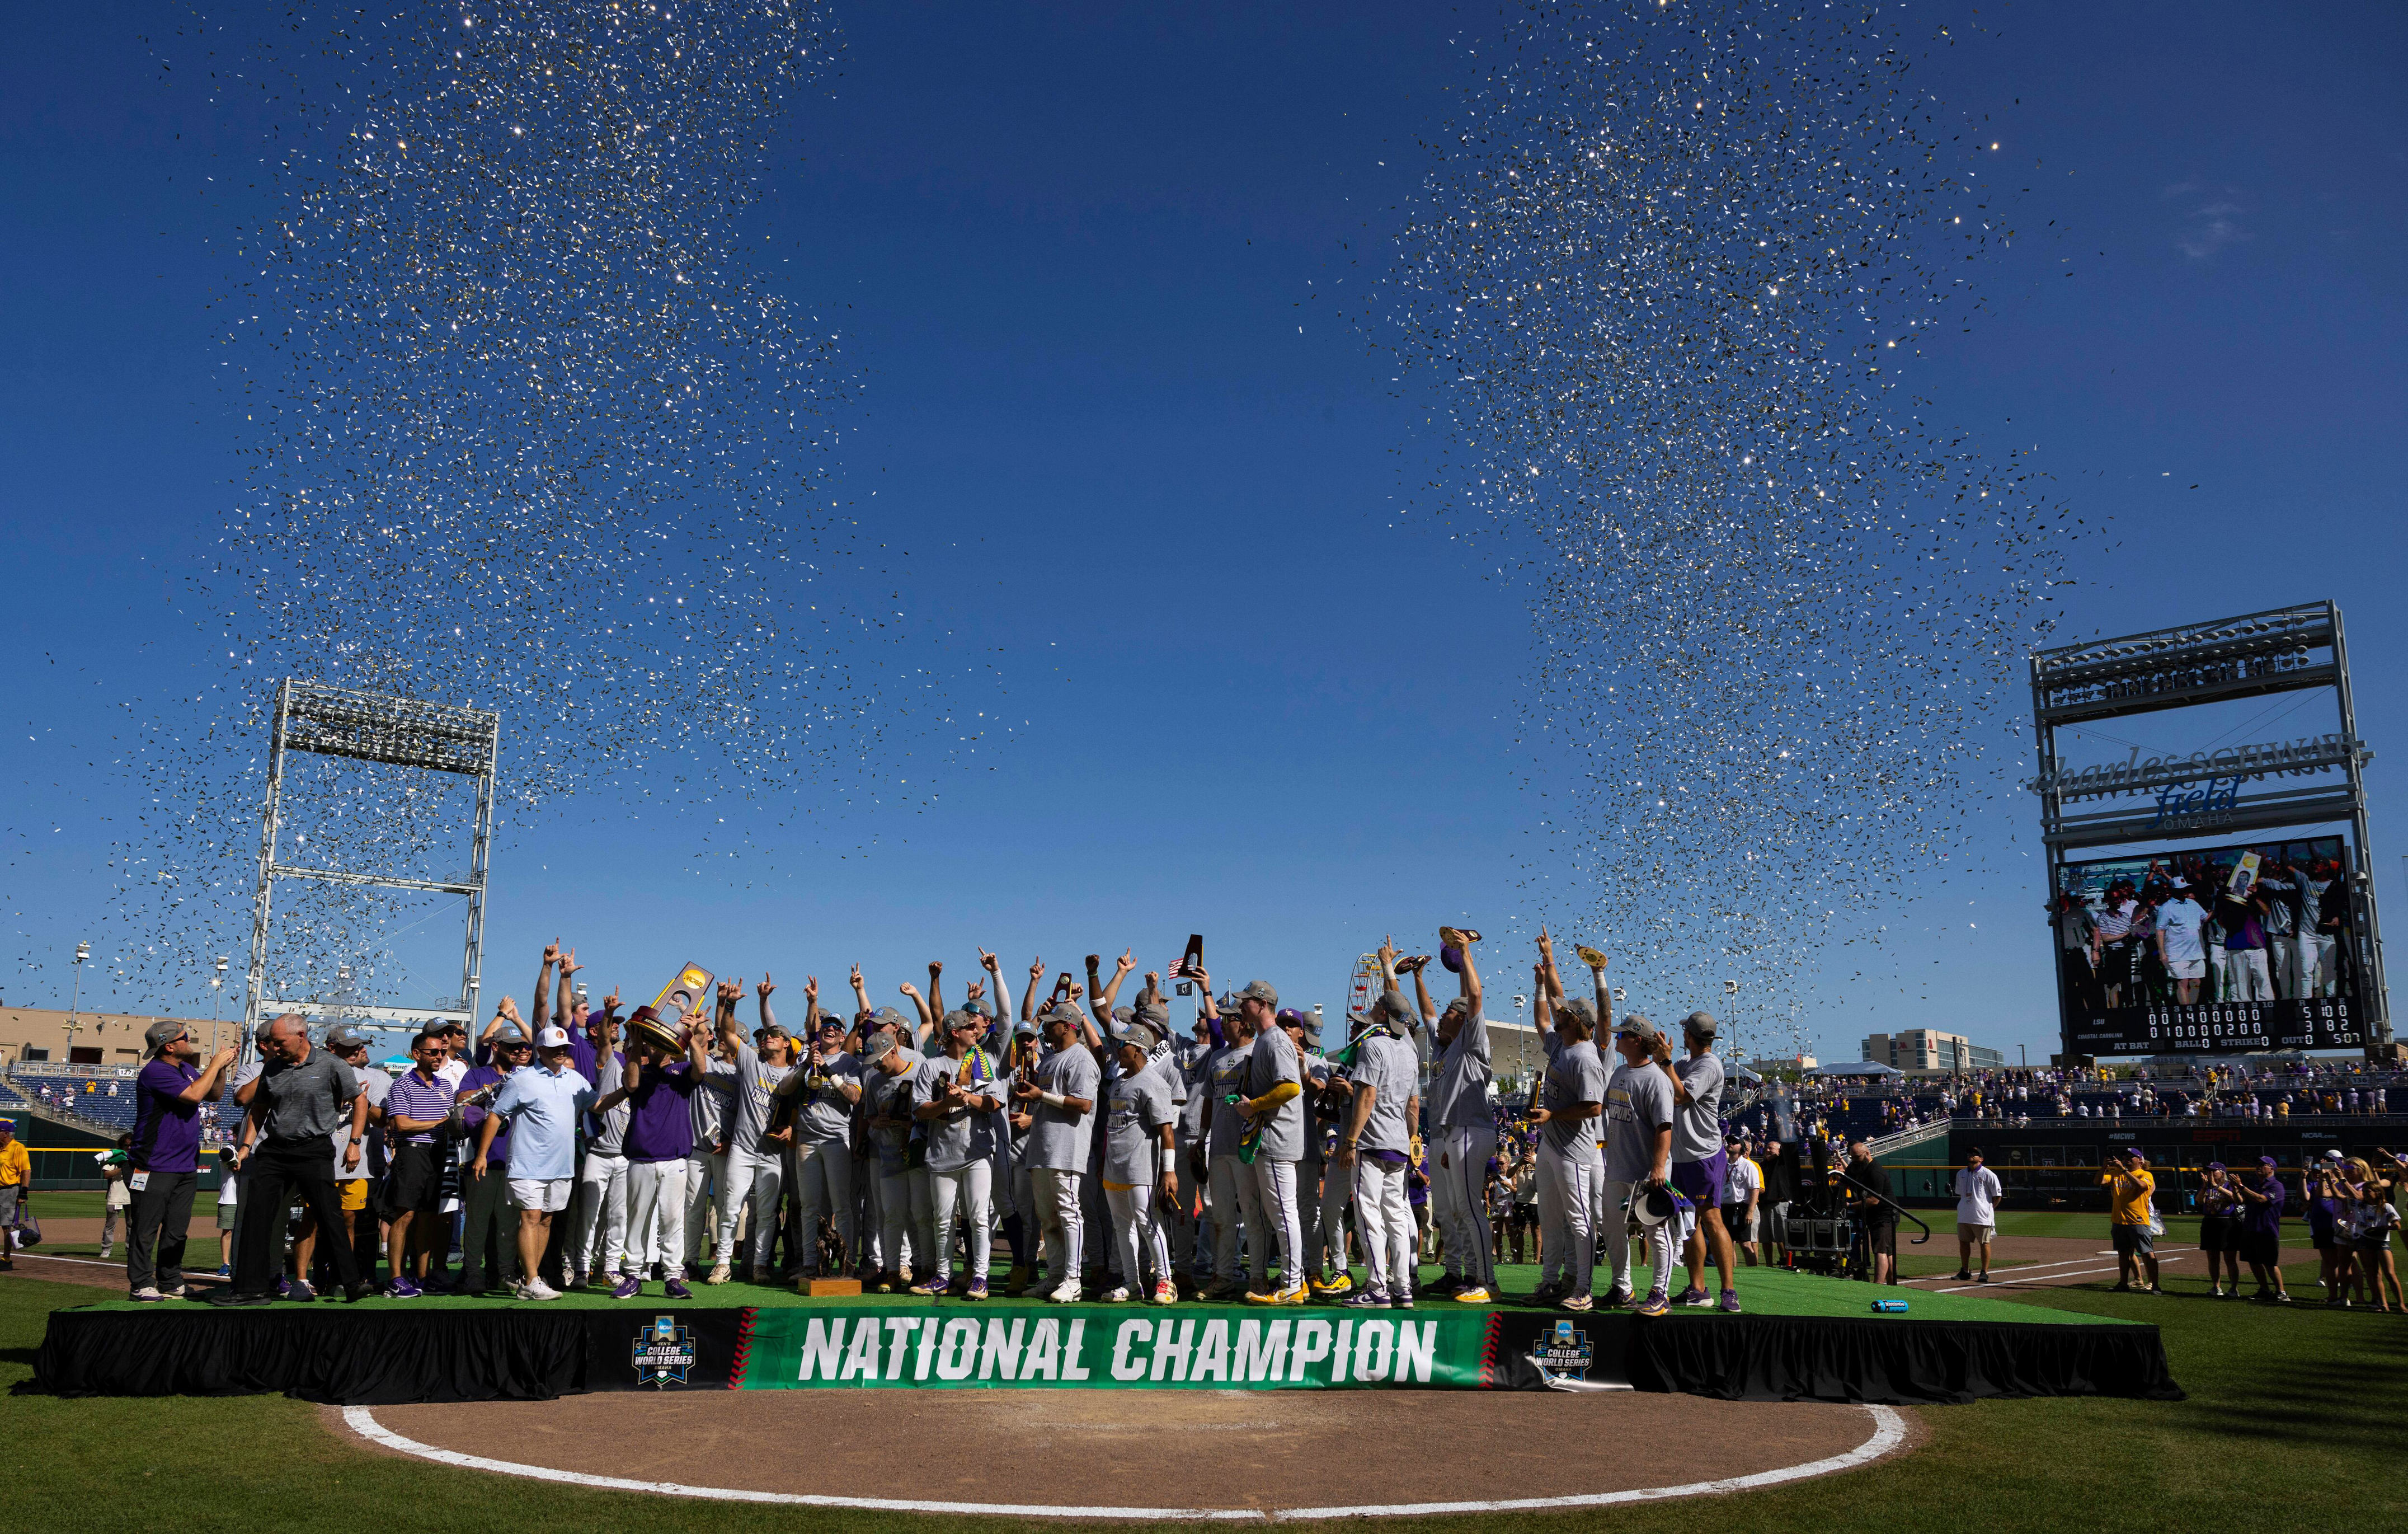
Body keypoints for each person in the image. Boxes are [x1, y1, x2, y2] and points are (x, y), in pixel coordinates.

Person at [220, 1015, 371, 1305]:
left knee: (330, 1216)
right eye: (273, 1043)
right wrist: (246, 1146)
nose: (274, 1048)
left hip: (314, 1150)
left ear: (301, 1035)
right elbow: (259, 1108)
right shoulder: (273, 1067)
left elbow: (360, 1100)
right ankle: (250, 1289)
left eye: (280, 1042)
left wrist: (354, 1143)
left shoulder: (332, 1064)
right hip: (274, 1151)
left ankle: (351, 1283)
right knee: (256, 1217)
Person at [591, 1012, 712, 1299]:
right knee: (637, 1219)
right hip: (641, 1159)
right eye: (653, 1043)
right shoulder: (639, 1072)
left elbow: (701, 1070)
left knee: (672, 1220)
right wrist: (635, 1042)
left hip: (674, 1160)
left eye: (662, 1043)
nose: (657, 1048)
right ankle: (633, 1275)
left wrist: (693, 1035)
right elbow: (630, 1084)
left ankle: (672, 1276)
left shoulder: (680, 1072)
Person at [474, 1024, 595, 1302]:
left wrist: (625, 1090)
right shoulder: (522, 1080)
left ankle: (533, 1279)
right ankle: (531, 1280)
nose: (561, 1053)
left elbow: (596, 1105)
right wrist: (481, 1155)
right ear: (541, 1050)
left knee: (546, 1220)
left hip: (562, 1166)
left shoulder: (575, 1079)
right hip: (527, 1164)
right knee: (530, 1218)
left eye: (564, 1049)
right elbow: (495, 1116)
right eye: (555, 1049)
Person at [126, 1019, 238, 1300]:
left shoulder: (185, 1068)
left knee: (177, 1230)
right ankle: (140, 1283)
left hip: (185, 1164)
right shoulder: (156, 1071)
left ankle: (170, 1280)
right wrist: (214, 1064)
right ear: (170, 1046)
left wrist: (221, 1069)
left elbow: (214, 1094)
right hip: (153, 1164)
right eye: (184, 1037)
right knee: (145, 1229)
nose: (189, 1040)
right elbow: (193, 1095)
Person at [1334, 950, 1421, 1312]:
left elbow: (1365, 1095)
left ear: (1383, 1013)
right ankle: (1402, 1287)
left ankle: (1377, 1287)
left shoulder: (1372, 1045)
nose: (1370, 1009)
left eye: (1376, 1006)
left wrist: (1350, 1139)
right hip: (1399, 1142)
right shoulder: (1411, 1050)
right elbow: (1414, 1105)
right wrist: (1412, 1139)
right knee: (1397, 1217)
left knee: (1370, 1213)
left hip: (1371, 1141)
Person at [1528, 931, 1609, 1312]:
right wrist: (1544, 974)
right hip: (1550, 1142)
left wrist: (1552, 1114)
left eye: (1567, 1015)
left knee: (1580, 1220)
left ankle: (1584, 1288)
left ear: (1580, 1022)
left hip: (1574, 1147)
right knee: (1550, 1216)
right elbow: (1546, 1011)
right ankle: (1551, 1282)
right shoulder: (1563, 1040)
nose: (1560, 1018)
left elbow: (1594, 1107)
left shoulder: (1585, 1056)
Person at [913, 1007, 1008, 1298]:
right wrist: (946, 1103)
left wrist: (968, 1097)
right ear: (955, 1032)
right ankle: (943, 1276)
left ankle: (980, 1277)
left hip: (977, 1152)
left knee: (979, 1217)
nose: (976, 1031)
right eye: (970, 1028)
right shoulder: (932, 1065)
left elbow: (996, 1103)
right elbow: (920, 1110)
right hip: (942, 1153)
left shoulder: (983, 1060)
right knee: (942, 1219)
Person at [773, 987, 864, 1283]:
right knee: (809, 1207)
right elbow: (784, 1090)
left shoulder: (850, 1063)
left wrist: (828, 1070)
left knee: (841, 1206)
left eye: (836, 1028)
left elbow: (854, 1098)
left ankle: (846, 1266)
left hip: (837, 1141)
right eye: (826, 1026)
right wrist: (806, 1066)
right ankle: (811, 1265)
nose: (830, 1030)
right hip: (807, 1140)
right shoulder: (805, 1057)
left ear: (842, 1037)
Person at [707, 975, 795, 1284]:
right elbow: (727, 1032)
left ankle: (760, 1266)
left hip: (771, 1154)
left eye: (775, 1036)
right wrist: (730, 1003)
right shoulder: (751, 1061)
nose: (768, 1037)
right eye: (766, 1035)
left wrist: (792, 1131)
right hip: (743, 1151)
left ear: (787, 1044)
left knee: (768, 1213)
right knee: (731, 1208)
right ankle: (723, 1265)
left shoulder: (795, 1072)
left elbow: (803, 1111)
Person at [1424, 935, 1497, 1303]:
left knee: (1469, 1209)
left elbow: (1474, 997)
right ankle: (1473, 1277)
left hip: (1472, 1129)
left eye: (1450, 1012)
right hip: (1456, 1131)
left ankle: (1489, 1283)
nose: (1444, 1016)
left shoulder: (1470, 1040)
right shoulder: (1450, 1048)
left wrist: (1465, 951)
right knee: (1458, 1210)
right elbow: (1446, 1010)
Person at [1014, 998, 1099, 1303]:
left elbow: (1084, 1104)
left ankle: (1073, 1279)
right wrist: (1032, 1094)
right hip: (1042, 1146)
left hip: (1067, 1147)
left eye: (1052, 1023)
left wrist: (1042, 1096)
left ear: (1067, 1025)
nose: (1047, 1028)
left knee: (1068, 1212)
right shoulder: (1051, 1059)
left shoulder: (1081, 1058)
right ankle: (1055, 1276)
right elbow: (1046, 1098)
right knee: (1047, 1217)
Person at [1094, 1011, 1179, 1305]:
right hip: (1114, 1166)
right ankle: (1132, 1282)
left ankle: (1166, 1282)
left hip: (1140, 1167)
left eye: (1124, 1045)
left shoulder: (1152, 1082)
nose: (1118, 1049)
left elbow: (1166, 1131)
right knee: (1122, 1226)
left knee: (1147, 1222)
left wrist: (1168, 1172)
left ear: (1139, 1048)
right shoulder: (1119, 1082)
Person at [1600, 1010, 1677, 1314]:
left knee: (1656, 1232)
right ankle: (1623, 1287)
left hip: (1647, 1171)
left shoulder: (1657, 1080)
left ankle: (1661, 1292)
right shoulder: (1620, 1073)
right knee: (1613, 1229)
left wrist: (1658, 1167)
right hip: (1618, 1166)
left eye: (1622, 1035)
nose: (1617, 1038)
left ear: (1636, 1040)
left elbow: (1664, 1127)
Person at [1665, 1008, 1738, 1311]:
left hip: (1702, 1155)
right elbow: (1665, 1075)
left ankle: (1729, 1291)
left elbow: (1681, 1096)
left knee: (1711, 1218)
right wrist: (1660, 1058)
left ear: (1688, 1036)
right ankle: (1698, 1289)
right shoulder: (1690, 1062)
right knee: (1688, 1222)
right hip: (1684, 1155)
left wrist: (1666, 1061)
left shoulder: (1709, 1064)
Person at [454, 1017, 532, 1295]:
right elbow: (462, 1099)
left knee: (509, 1226)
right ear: (496, 1046)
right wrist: (493, 1089)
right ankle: (474, 1273)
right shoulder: (478, 1074)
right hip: (483, 1160)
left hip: (516, 1162)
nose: (516, 1051)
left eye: (519, 1047)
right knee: (477, 1222)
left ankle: (505, 1273)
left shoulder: (527, 1075)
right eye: (510, 1046)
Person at [380, 1030, 457, 1297]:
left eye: (442, 1052)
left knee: (428, 1216)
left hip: (439, 1154)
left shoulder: (445, 1085)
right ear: (416, 1054)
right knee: (405, 1215)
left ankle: (423, 1277)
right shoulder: (401, 1085)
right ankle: (395, 1278)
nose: (439, 1056)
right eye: (433, 1052)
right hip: (412, 1153)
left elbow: (452, 1119)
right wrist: (440, 1122)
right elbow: (401, 1123)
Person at [2101, 1148, 2159, 1294]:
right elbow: (2099, 1181)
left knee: (2146, 1252)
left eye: (2131, 1157)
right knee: (2123, 1253)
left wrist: (2124, 1171)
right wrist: (2104, 1168)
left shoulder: (2145, 1174)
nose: (2126, 1159)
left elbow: (2141, 1186)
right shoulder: (2116, 1174)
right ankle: (2124, 1283)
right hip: (2119, 1220)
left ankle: (2155, 1284)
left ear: (2140, 1160)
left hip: (2138, 1220)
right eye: (2125, 1157)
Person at [1842, 1137, 1898, 1285]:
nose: (1854, 1160)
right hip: (1874, 1215)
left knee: (1880, 1250)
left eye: (1857, 1157)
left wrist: (1850, 1205)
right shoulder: (1856, 1166)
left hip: (1885, 1215)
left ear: (1867, 1153)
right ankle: (1893, 1286)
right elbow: (1844, 1181)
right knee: (1888, 1252)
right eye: (1852, 1157)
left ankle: (1877, 1285)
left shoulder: (1875, 1171)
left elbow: (1874, 1200)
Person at [2235, 1156, 2290, 1302]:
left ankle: (2282, 1292)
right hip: (2250, 1228)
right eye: (2257, 1164)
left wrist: (2241, 1187)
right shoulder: (2254, 1184)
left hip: (2267, 1229)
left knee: (2270, 1263)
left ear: (2271, 1169)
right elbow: (2241, 1201)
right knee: (2253, 1261)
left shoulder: (2276, 1185)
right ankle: (2265, 1290)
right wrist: (2236, 1191)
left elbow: (2261, 1199)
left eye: (2262, 1165)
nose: (2258, 1167)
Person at [1951, 1147, 2003, 1283]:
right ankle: (1965, 1271)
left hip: (1982, 1215)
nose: (1971, 1155)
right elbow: (1960, 1193)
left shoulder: (1988, 1174)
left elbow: (1997, 1196)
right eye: (1970, 1154)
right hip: (1964, 1214)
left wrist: (1989, 1209)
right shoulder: (1961, 1174)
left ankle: (1984, 1272)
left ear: (1981, 1159)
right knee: (1963, 1243)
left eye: (1975, 1154)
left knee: (1984, 1243)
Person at [2197, 1161, 2243, 1298]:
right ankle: (2216, 1286)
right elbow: (2199, 1201)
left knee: (2230, 1258)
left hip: (2227, 1222)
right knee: (2212, 1257)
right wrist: (2205, 1187)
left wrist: (2218, 1187)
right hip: (2210, 1222)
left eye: (2213, 1171)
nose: (2209, 1174)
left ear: (2222, 1172)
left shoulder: (2229, 1184)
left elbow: (2236, 1199)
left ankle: (2234, 1288)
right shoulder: (2207, 1186)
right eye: (2208, 1171)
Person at [1722, 1136, 1762, 1268]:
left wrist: (1750, 1212)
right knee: (1728, 1243)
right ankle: (1731, 1272)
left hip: (1741, 1208)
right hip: (1726, 1208)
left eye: (1735, 1142)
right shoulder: (1723, 1165)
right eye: (1729, 1142)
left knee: (1745, 1243)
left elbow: (1755, 1189)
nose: (1731, 1144)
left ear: (1742, 1148)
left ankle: (1753, 1273)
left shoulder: (1748, 1166)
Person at [0, 1119, 30, 1270]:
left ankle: (6, 1259)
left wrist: (23, 1192)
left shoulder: (18, 1148)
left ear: (6, 1134)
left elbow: (26, 1170)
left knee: (6, 1226)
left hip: (9, 1191)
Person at [97, 1134, 133, 1259]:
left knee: (132, 1225)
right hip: (116, 1195)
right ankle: (106, 1249)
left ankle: (131, 1250)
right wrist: (124, 1168)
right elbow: (107, 1174)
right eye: (126, 1145)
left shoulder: (139, 1158)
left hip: (132, 1195)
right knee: (110, 1224)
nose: (129, 1148)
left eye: (131, 1145)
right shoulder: (116, 1158)